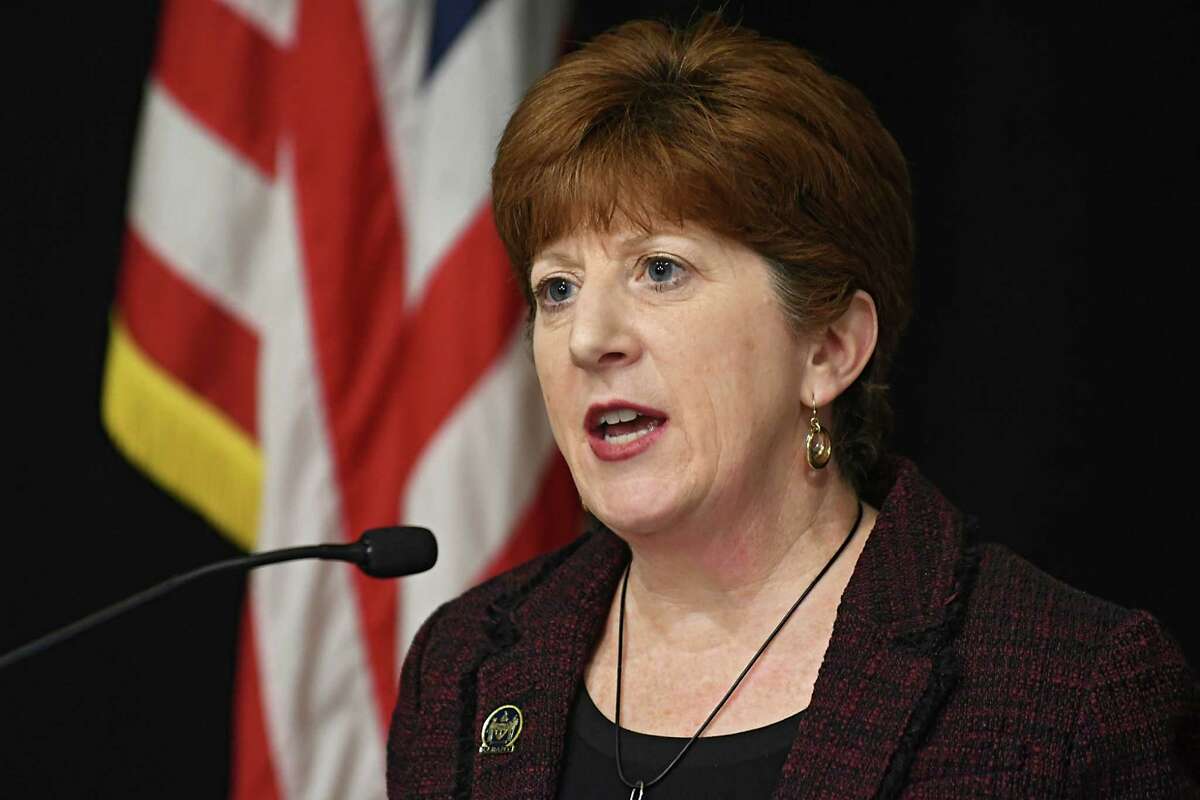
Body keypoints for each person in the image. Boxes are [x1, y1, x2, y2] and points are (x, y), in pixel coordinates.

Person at [387, 15, 1198, 799]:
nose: (588, 338)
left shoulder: (1064, 692)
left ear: (829, 349)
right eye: (557, 288)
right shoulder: (464, 666)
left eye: (660, 270)